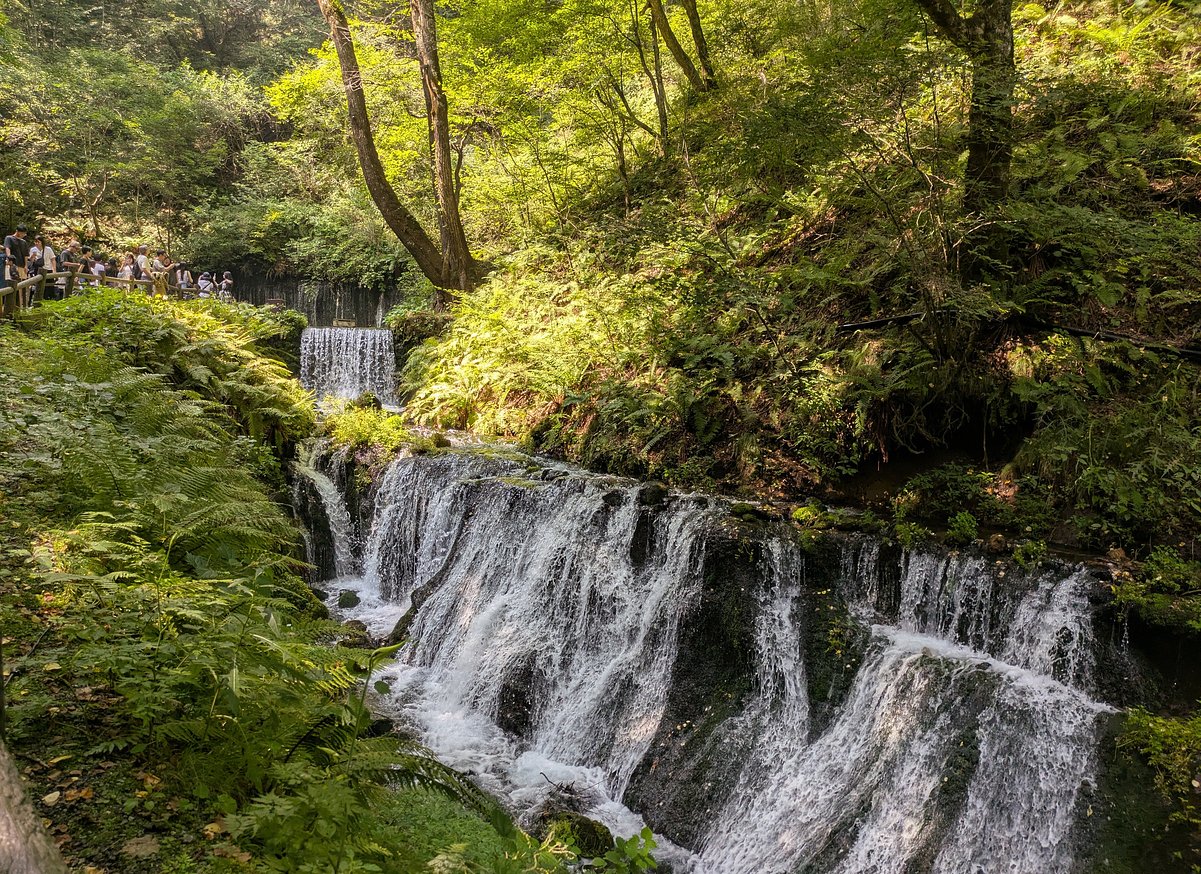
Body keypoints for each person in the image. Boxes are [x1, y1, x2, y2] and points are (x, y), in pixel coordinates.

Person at [4, 224, 30, 306]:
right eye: (23, 233)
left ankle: (22, 306)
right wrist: (9, 258)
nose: (23, 235)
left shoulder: (24, 242)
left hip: (22, 266)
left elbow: (26, 255)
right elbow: (7, 248)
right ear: (18, 232)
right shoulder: (9, 238)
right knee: (12, 285)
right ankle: (11, 306)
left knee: (22, 287)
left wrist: (26, 266)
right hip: (13, 265)